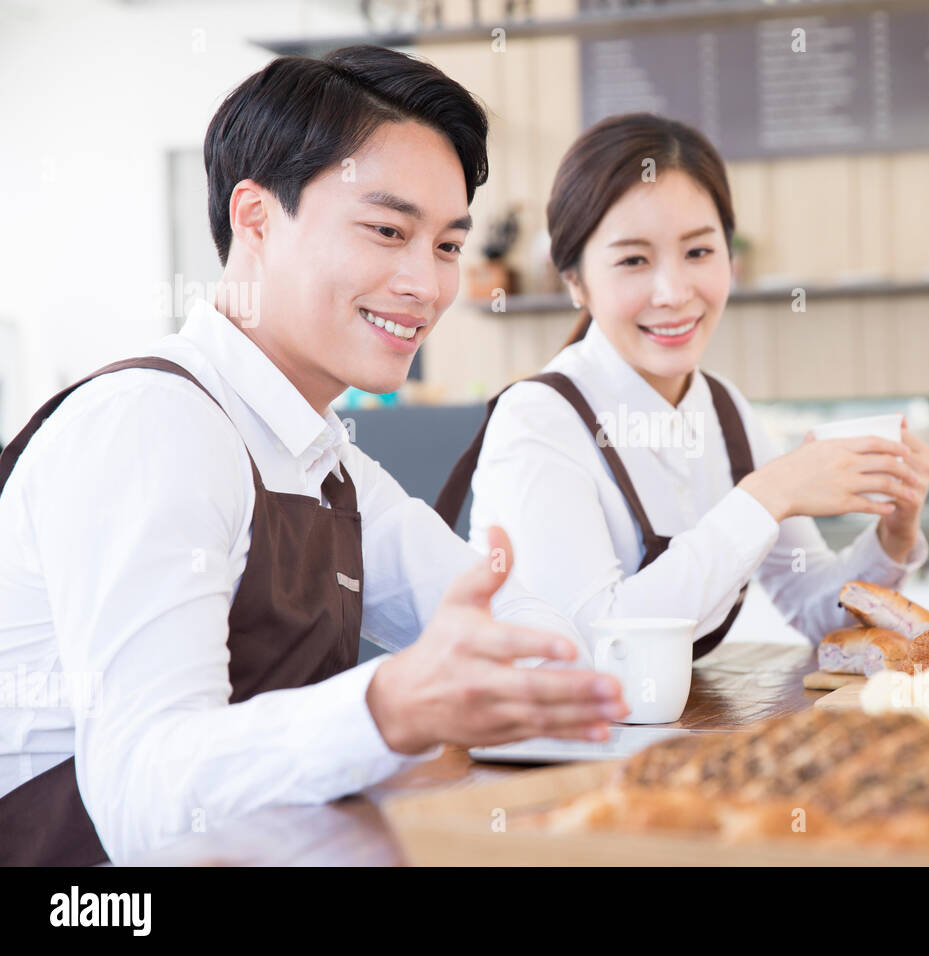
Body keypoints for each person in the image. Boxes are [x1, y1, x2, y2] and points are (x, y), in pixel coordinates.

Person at [0, 45, 626, 866]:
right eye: (388, 231)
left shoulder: (326, 456)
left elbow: (529, 624)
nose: (426, 284)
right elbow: (145, 803)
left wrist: (508, 658)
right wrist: (387, 710)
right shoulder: (150, 424)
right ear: (255, 217)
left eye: (445, 246)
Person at [436, 113, 929, 660]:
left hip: (652, 739)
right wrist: (769, 494)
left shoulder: (723, 410)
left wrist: (895, 533)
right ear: (575, 280)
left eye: (698, 252)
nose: (673, 292)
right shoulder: (537, 418)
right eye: (633, 260)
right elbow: (595, 644)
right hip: (537, 742)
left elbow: (818, 612)